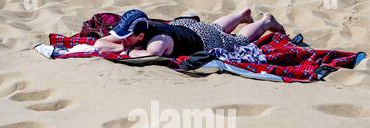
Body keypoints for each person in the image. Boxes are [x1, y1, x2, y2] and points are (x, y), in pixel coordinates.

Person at [94, 8, 286, 58]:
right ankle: (239, 15)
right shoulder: (136, 31)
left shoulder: (158, 41)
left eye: (126, 37)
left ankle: (265, 21)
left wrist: (125, 51)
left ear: (141, 36)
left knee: (238, 40)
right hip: (184, 26)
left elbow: (150, 55)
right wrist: (122, 44)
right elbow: (99, 44)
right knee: (215, 28)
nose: (122, 39)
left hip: (203, 39)